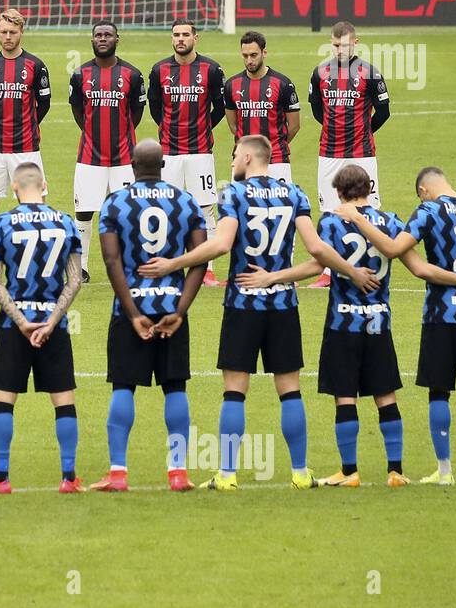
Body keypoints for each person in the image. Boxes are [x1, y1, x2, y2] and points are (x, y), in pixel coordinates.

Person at [139, 135, 380, 491]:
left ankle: (227, 474)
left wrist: (173, 263)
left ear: (249, 157)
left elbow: (220, 245)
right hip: (283, 306)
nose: (232, 160)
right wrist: (352, 270)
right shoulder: (294, 194)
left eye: (235, 154)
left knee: (235, 391)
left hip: (243, 305)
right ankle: (300, 472)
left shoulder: (234, 195)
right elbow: (316, 251)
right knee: (290, 390)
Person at [239, 164, 456, 487]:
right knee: (386, 395)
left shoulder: (331, 222)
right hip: (379, 321)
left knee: (345, 396)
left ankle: (349, 470)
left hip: (343, 322)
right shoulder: (392, 222)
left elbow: (317, 264)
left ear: (339, 193)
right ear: (370, 189)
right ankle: (395, 471)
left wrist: (274, 277)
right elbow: (419, 268)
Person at [335, 165, 456, 485]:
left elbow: (395, 250)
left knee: (439, 391)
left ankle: (444, 471)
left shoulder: (428, 211)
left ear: (424, 190)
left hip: (441, 315)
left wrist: (357, 218)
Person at [91, 139, 206, 493]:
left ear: (131, 167)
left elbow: (112, 262)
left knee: (123, 385)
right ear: (163, 166)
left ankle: (118, 472)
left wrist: (132, 313)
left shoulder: (115, 202)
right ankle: (178, 472)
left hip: (131, 311)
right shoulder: (185, 201)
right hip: (172, 306)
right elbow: (200, 258)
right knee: (175, 387)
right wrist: (180, 311)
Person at [0, 163, 85, 494]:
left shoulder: (2, 224)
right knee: (63, 399)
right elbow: (76, 278)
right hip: (54, 324)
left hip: (15, 324)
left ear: (13, 188)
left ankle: (0, 477)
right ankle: (69, 478)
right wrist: (52, 320)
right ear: (45, 186)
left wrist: (22, 321)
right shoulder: (66, 223)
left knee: (4, 399)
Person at [306, 20, 391, 288]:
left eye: (344, 45)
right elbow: (317, 111)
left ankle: (371, 264)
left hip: (362, 153)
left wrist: (365, 131)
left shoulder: (370, 73)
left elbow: (384, 111)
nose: (339, 50)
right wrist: (334, 129)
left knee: (369, 209)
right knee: (330, 211)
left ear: (356, 42)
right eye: (334, 45)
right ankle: (329, 273)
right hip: (330, 153)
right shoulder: (320, 73)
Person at [0, 9, 52, 282]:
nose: (7, 37)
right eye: (3, 32)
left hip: (27, 148)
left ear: (21, 32)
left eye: (13, 32)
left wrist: (26, 125)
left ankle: (34, 262)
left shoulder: (36, 66)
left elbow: (44, 104)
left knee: (33, 205)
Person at [148, 18, 226, 287]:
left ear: (196, 38)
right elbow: (155, 108)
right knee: (166, 209)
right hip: (168, 153)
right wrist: (168, 128)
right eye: (176, 35)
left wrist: (202, 126)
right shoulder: (159, 70)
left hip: (200, 152)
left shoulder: (212, 70)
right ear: (171, 38)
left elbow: (219, 107)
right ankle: (167, 264)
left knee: (205, 209)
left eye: (185, 35)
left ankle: (208, 269)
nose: (180, 39)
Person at [69, 19, 146, 284]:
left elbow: (136, 114)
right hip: (89, 157)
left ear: (117, 39)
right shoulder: (79, 75)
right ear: (92, 40)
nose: (103, 39)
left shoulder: (133, 75)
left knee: (125, 212)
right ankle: (81, 267)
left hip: (124, 159)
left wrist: (120, 136)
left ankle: (128, 266)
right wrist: (94, 134)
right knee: (84, 212)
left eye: (108, 35)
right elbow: (79, 113)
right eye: (98, 35)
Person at [223, 30, 299, 184]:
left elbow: (294, 126)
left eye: (253, 55)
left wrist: (272, 146)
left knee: (280, 207)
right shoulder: (232, 85)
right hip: (243, 161)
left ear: (264, 53)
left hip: (277, 160)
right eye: (245, 56)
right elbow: (233, 125)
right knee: (244, 208)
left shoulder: (283, 84)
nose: (249, 60)